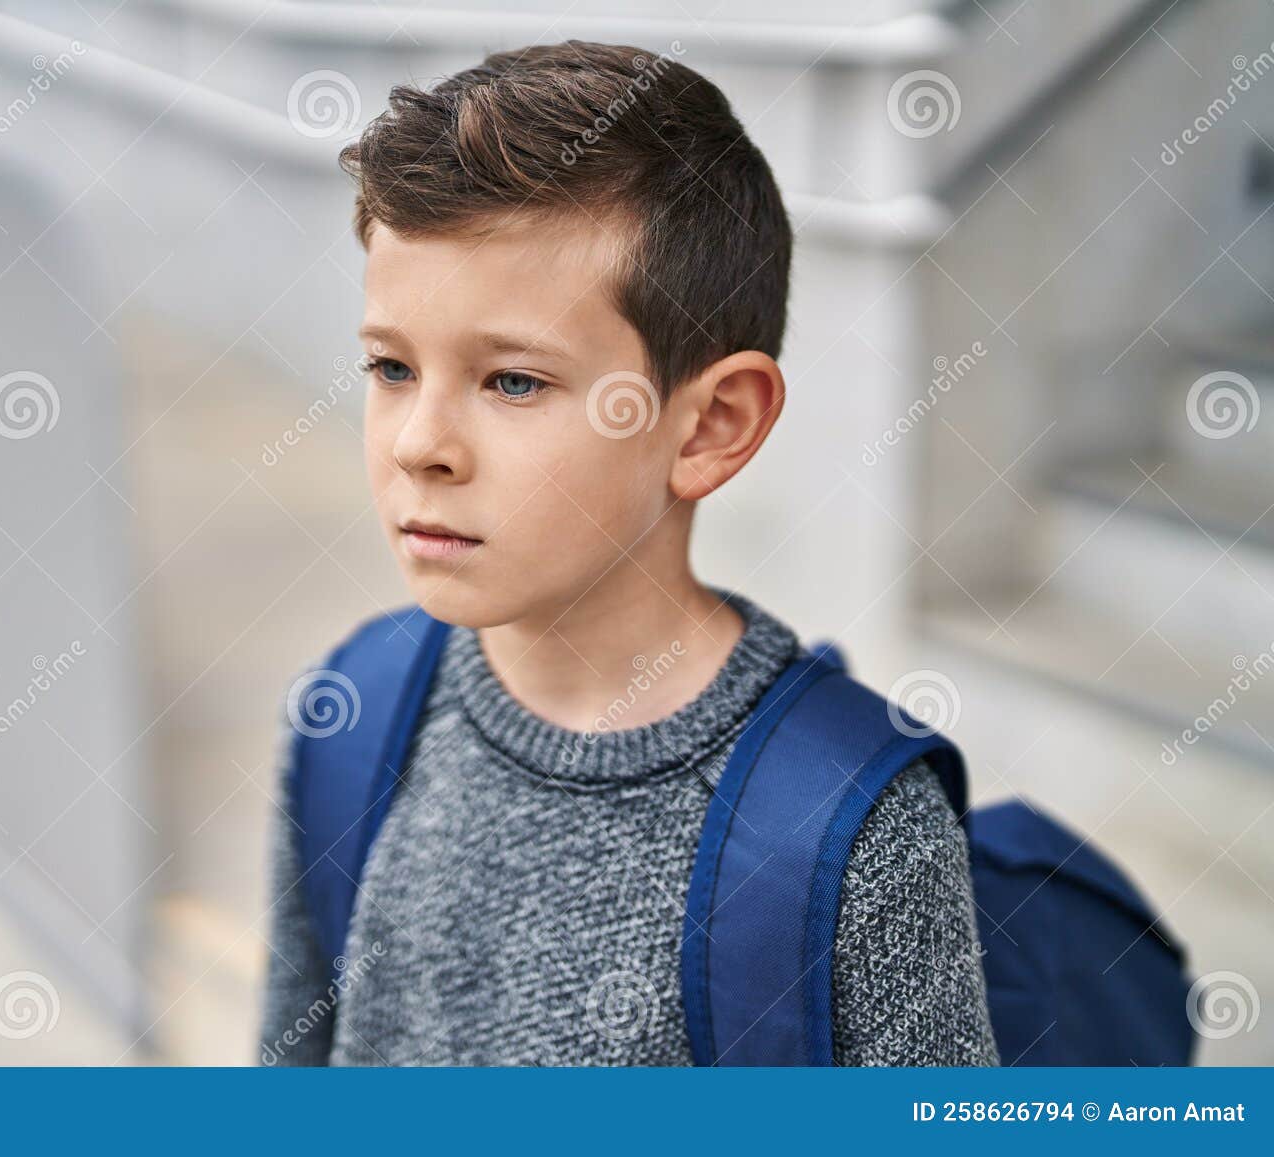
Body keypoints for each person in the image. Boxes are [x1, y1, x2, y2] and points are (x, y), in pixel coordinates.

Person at [256, 41, 999, 1067]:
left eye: (514, 381)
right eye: (391, 366)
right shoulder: (352, 713)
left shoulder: (854, 837)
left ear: (710, 426)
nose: (418, 444)